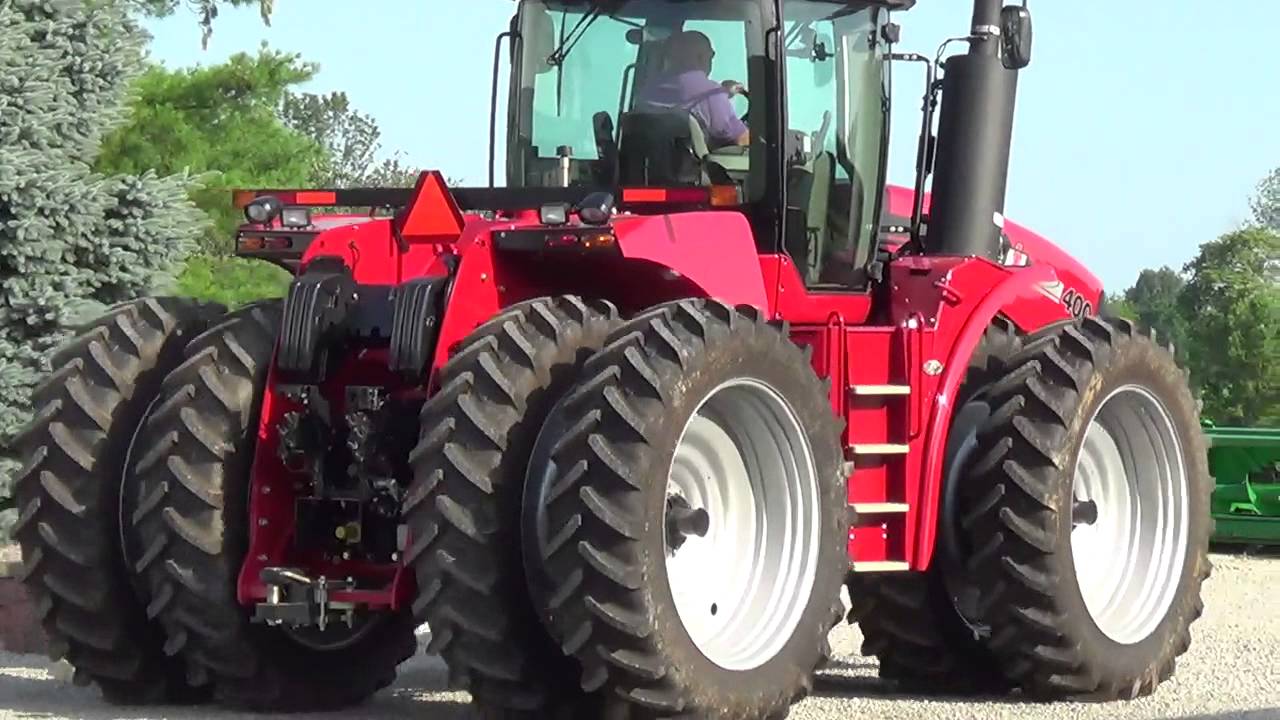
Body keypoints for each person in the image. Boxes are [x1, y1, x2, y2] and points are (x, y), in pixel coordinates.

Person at [634, 30, 750, 149]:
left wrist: (722, 94)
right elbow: (741, 139)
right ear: (701, 57)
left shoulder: (646, 91)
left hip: (645, 166)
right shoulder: (710, 92)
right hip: (695, 166)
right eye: (711, 55)